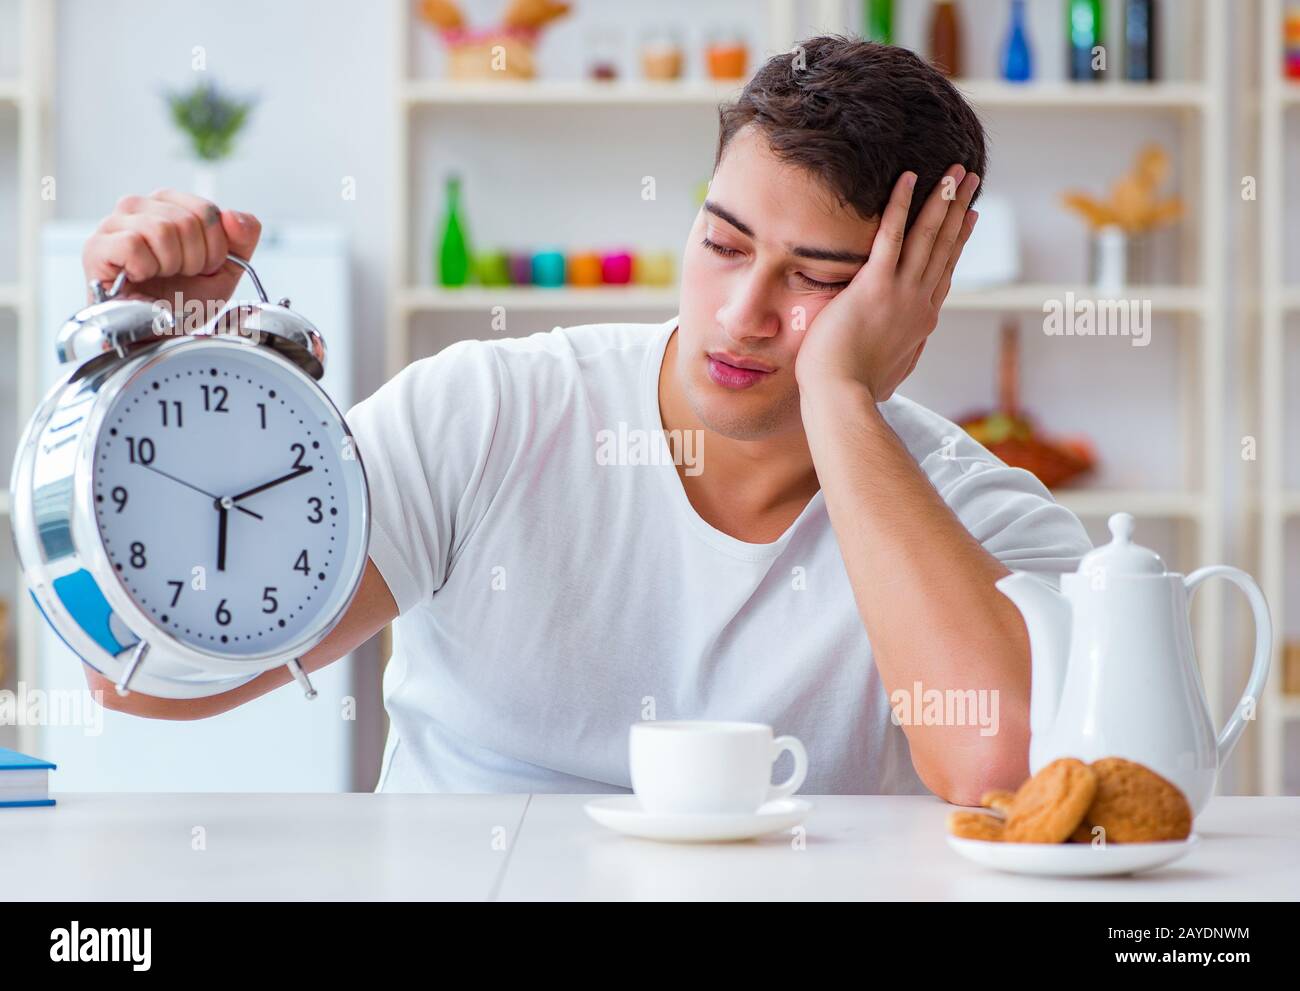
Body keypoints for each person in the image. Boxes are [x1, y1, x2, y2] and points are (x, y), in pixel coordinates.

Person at [80, 36, 1092, 805]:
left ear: (911, 298)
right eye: (723, 243)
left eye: (816, 281)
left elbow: (997, 766)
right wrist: (155, 378)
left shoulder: (985, 520)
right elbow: (143, 678)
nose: (741, 315)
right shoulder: (487, 411)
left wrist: (840, 398)